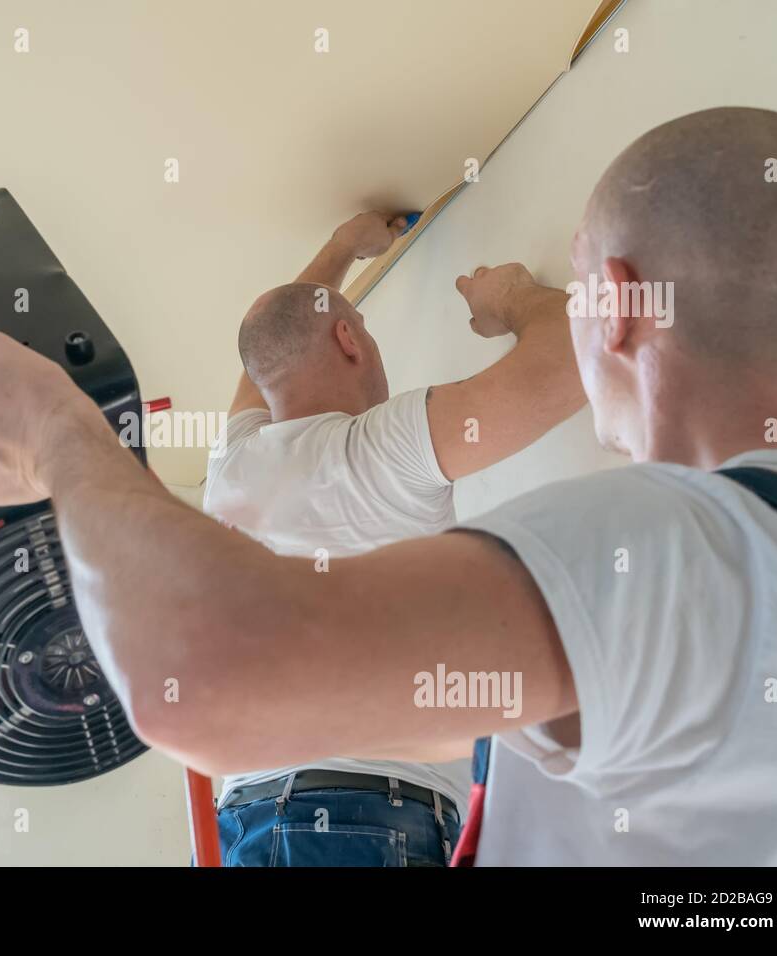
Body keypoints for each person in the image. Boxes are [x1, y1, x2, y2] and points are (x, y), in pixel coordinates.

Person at [0, 107, 777, 864]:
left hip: (292, 803)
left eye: (580, 284)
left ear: (611, 301)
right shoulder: (761, 567)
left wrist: (56, 432)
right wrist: (507, 300)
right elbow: (431, 711)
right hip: (359, 808)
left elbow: (206, 674)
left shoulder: (646, 547)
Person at [202, 211, 583, 866]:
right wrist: (511, 298)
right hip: (363, 816)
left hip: (242, 822)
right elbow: (575, 356)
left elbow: (265, 351)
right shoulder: (384, 445)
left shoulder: (232, 467)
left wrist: (341, 248)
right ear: (350, 340)